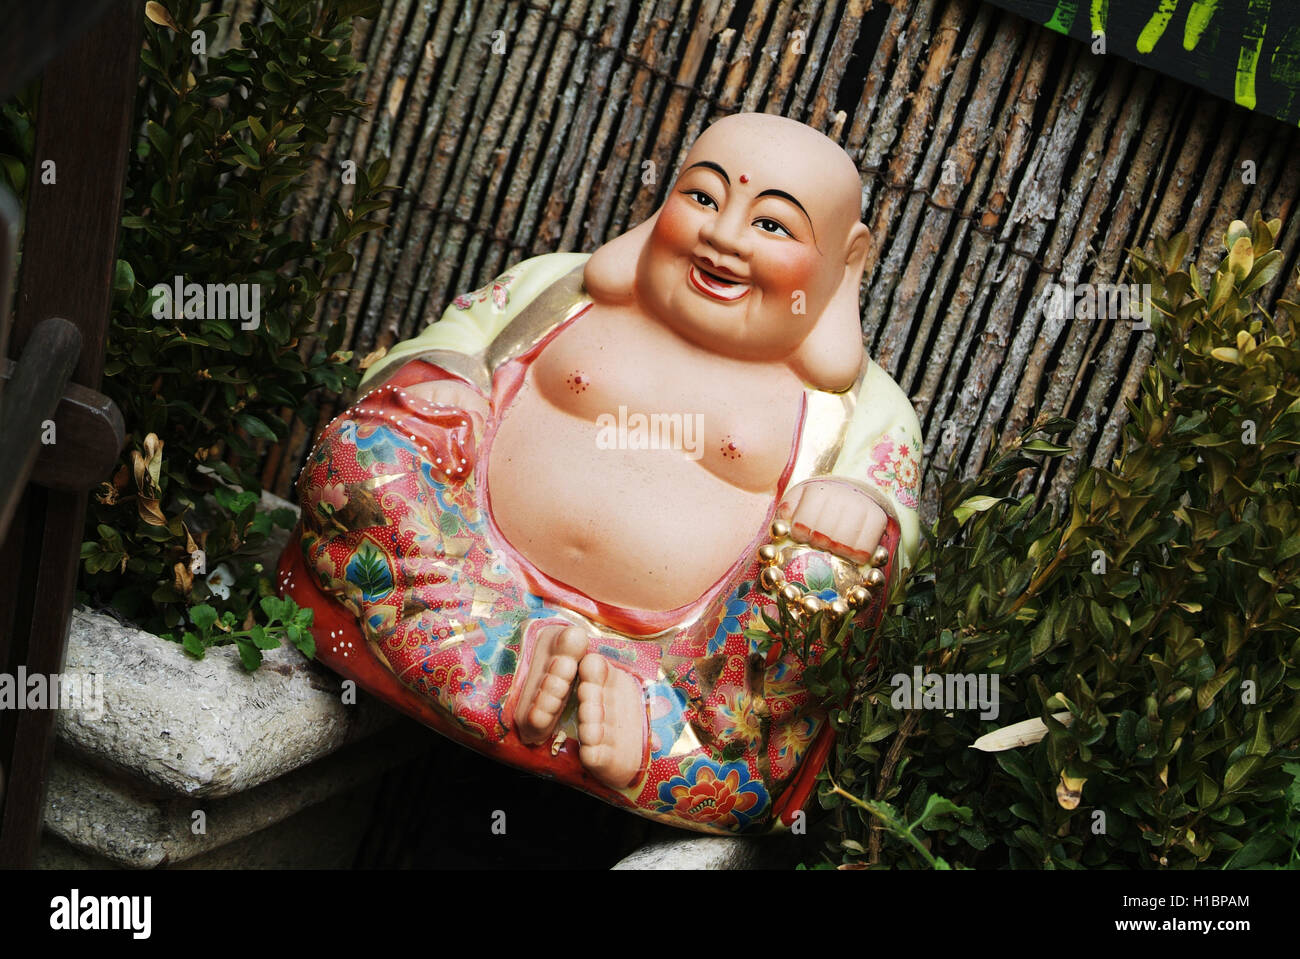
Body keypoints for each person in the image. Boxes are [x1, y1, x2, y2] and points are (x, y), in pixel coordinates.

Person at [279, 113, 922, 834]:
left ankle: (648, 730)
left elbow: (890, 504)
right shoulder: (558, 286)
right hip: (468, 587)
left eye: (773, 225)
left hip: (683, 670)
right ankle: (504, 668)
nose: (724, 237)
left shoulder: (859, 406)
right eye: (704, 198)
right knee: (367, 452)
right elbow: (454, 337)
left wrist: (861, 502)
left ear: (848, 257)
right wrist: (448, 376)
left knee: (831, 573)